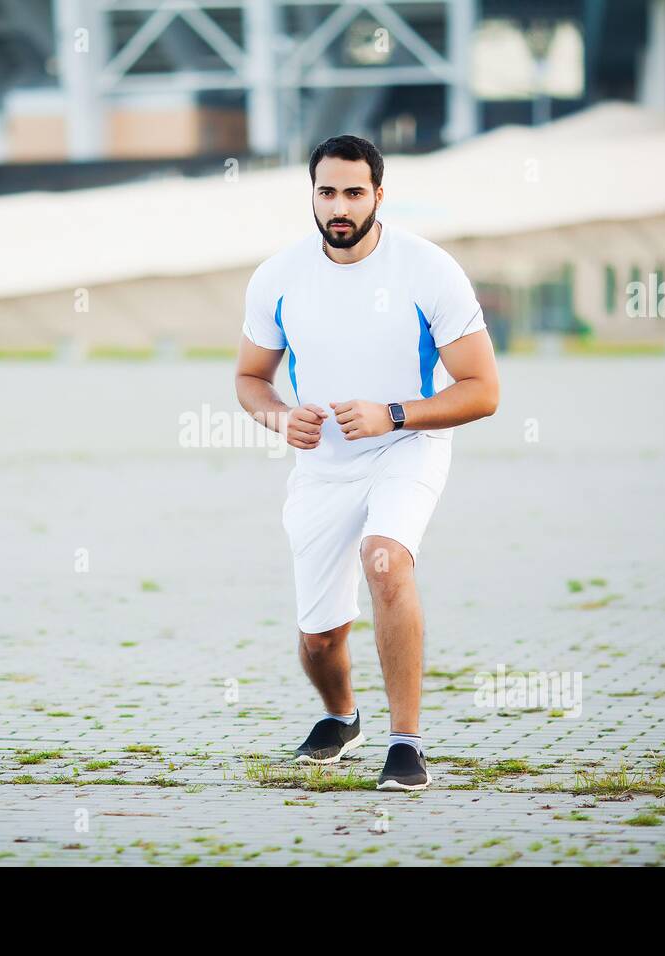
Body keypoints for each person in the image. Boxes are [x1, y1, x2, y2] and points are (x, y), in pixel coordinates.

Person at [233, 134, 500, 791]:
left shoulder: (428, 269)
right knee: (320, 641)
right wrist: (277, 416)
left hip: (407, 445)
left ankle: (405, 745)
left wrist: (394, 414)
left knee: (384, 559)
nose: (340, 206)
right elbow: (249, 378)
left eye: (355, 192)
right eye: (328, 192)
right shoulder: (277, 277)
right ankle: (340, 715)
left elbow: (483, 391)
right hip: (323, 467)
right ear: (313, 197)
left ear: (380, 195)